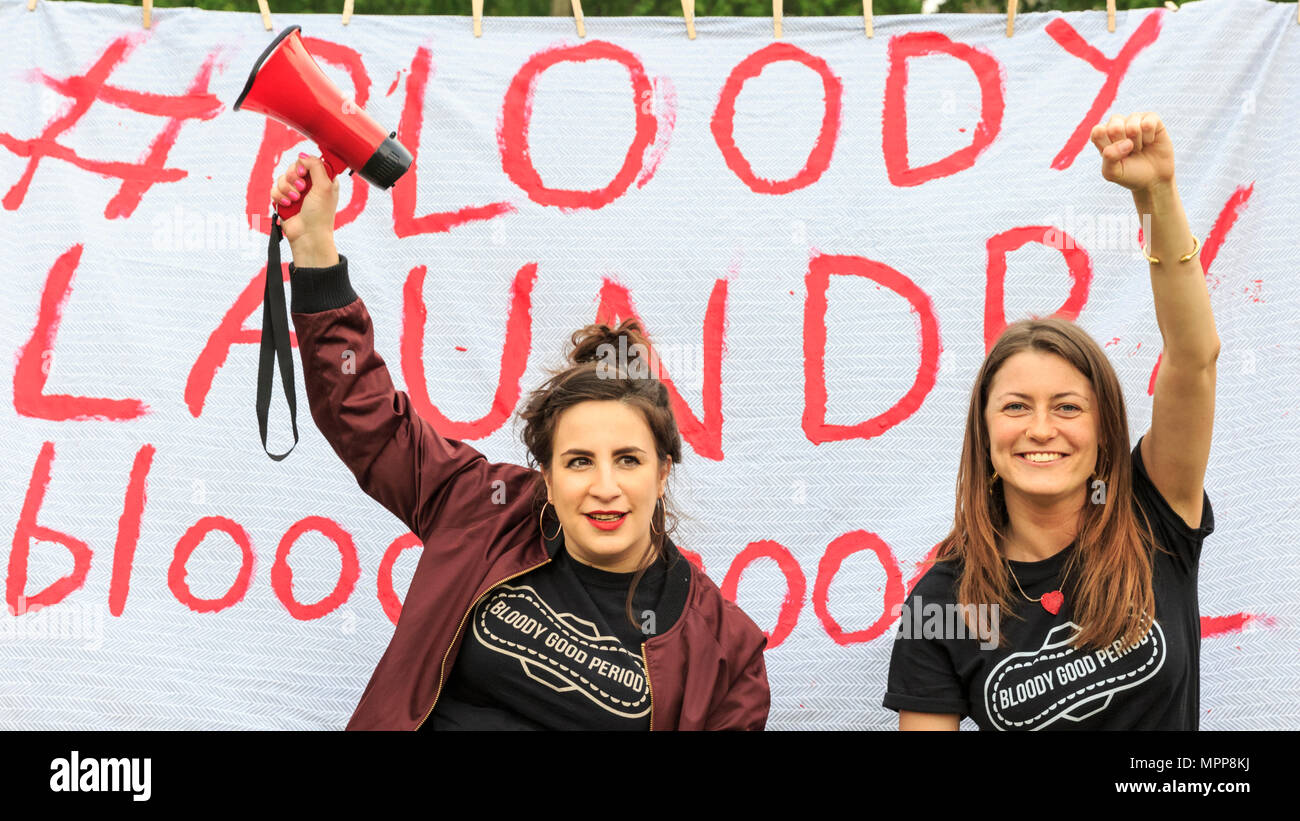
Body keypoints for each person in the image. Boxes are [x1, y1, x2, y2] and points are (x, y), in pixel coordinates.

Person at [270, 152, 769, 730]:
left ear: (663, 472)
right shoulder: (484, 508)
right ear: (547, 476)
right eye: (579, 461)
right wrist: (313, 249)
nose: (604, 488)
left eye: (628, 460)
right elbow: (368, 421)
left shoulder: (726, 655)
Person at [883, 112, 1218, 730]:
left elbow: (1194, 359)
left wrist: (1157, 196)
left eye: (1068, 407)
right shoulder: (946, 601)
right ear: (984, 436)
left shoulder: (1155, 515)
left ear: (1104, 432)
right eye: (1016, 407)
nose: (1042, 429)